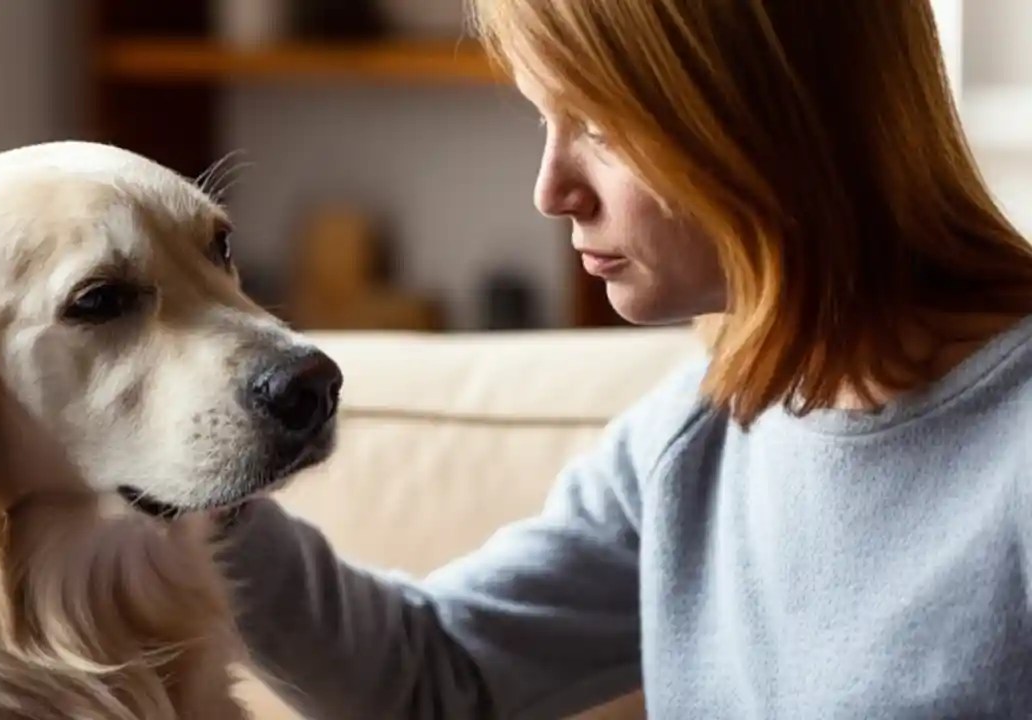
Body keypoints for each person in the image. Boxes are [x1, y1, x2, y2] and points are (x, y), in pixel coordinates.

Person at [216, 1, 1032, 717]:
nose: (551, 190)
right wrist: (202, 485)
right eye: (545, 117)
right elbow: (433, 674)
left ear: (768, 115)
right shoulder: (689, 443)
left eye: (599, 126)